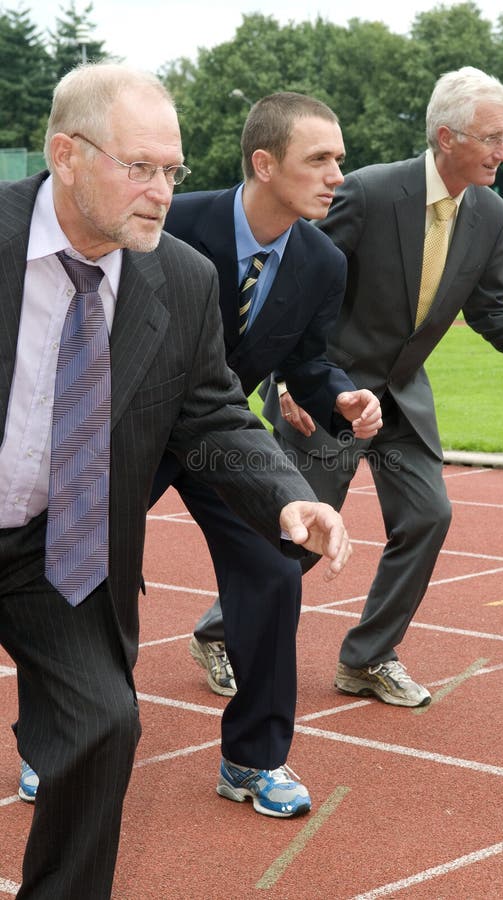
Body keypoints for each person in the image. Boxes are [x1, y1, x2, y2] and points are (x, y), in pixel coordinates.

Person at [0, 63, 353, 900]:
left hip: (58, 546)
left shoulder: (182, 279)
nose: (160, 191)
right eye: (140, 167)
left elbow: (214, 416)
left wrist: (285, 493)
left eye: (173, 171)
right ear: (66, 155)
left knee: (105, 725)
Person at [261, 65, 503, 708]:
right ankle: (220, 633)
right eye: (494, 138)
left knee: (428, 515)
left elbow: (492, 309)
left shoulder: (491, 213)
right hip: (327, 391)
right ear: (448, 138)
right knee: (303, 534)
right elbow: (295, 284)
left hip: (402, 397)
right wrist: (283, 383)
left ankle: (367, 657)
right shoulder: (366, 192)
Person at [151, 92, 382, 818]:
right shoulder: (169, 223)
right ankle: (52, 742)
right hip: (129, 432)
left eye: (339, 159)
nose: (336, 174)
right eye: (320, 159)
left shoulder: (320, 259)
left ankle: (253, 761)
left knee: (274, 571)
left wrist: (342, 397)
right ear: (263, 163)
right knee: (76, 571)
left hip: (221, 440)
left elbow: (308, 362)